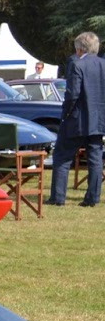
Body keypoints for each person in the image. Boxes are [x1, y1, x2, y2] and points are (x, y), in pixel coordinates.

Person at [48, 31, 105, 207]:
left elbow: (73, 94)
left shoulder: (77, 65)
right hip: (99, 120)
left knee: (62, 157)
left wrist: (65, 113)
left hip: (77, 119)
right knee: (95, 159)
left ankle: (58, 197)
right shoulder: (103, 65)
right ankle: (93, 198)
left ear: (80, 49)